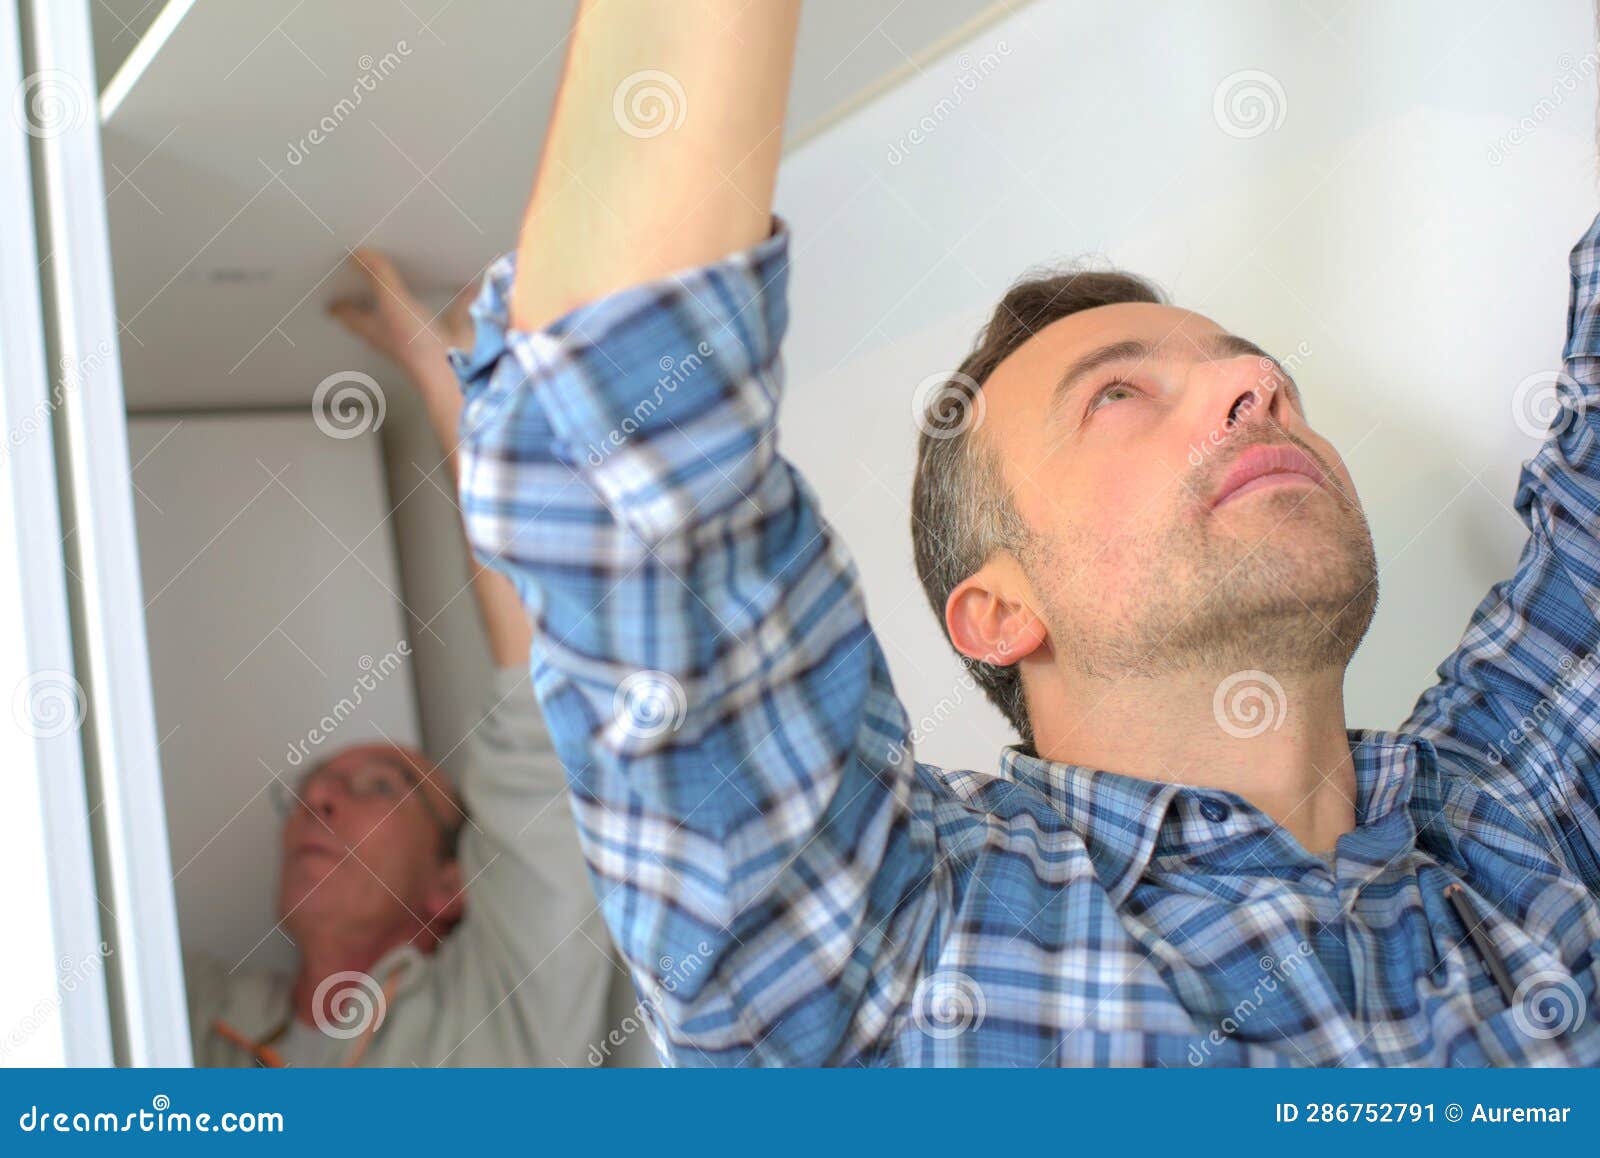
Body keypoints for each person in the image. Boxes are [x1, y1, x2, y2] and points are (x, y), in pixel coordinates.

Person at [450, 0, 1600, 1066]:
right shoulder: (903, 948)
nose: (1259, 379)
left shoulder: (1514, 808)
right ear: (998, 613)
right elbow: (610, 439)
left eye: (1251, 367)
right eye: (1118, 395)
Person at [184, 253, 618, 1066]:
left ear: (448, 889)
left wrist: (440, 379)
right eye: (342, 787)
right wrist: (442, 379)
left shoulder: (502, 1031)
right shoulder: (191, 1014)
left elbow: (540, 718)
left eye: (368, 788)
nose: (319, 802)